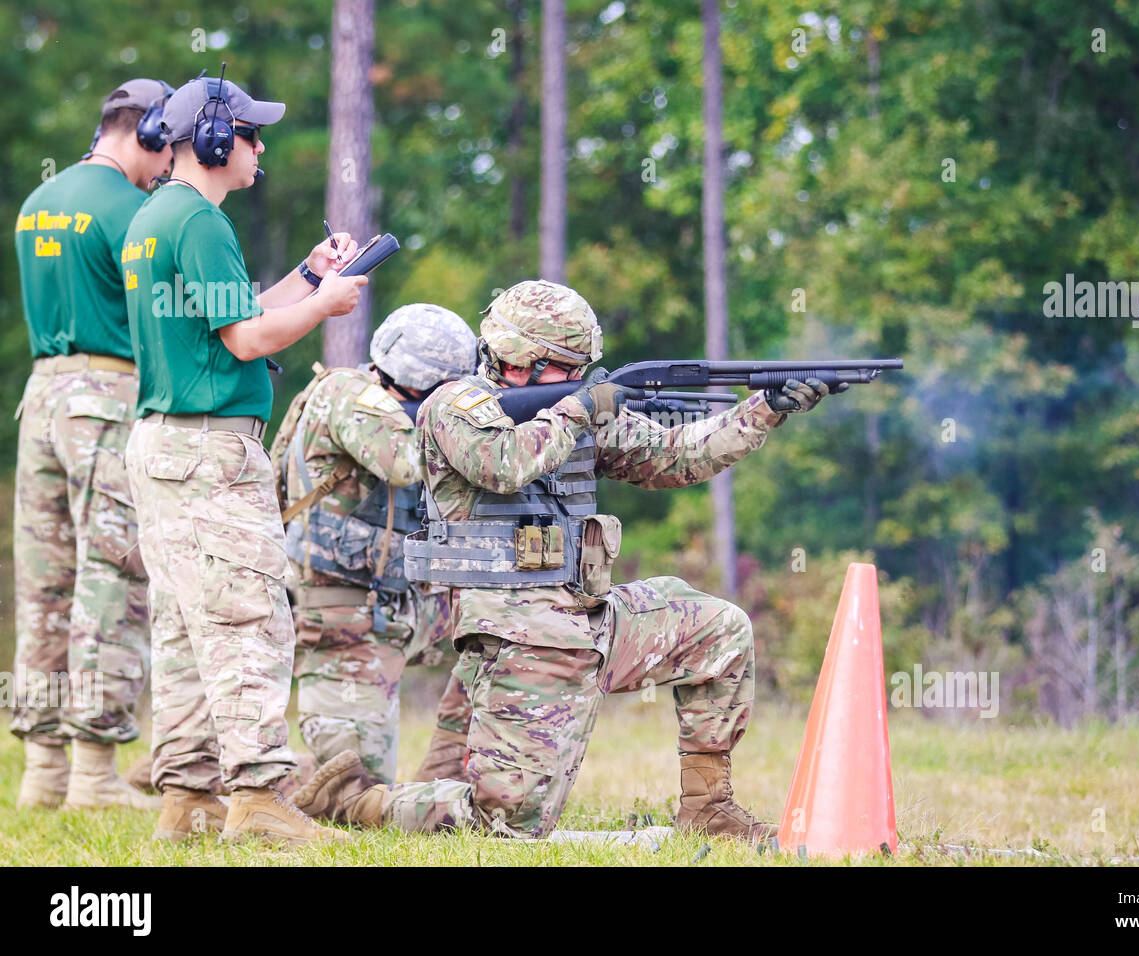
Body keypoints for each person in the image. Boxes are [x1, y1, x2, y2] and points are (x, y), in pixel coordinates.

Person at [295, 279, 841, 841]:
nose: (582, 378)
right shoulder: (451, 407)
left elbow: (680, 457)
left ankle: (708, 811)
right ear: (521, 361)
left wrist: (765, 409)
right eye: (568, 366)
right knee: (503, 828)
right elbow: (501, 463)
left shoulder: (572, 408)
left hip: (593, 615)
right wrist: (577, 412)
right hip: (519, 637)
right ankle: (359, 805)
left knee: (720, 630)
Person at [121, 70, 366, 845]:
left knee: (187, 625)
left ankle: (188, 800)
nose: (261, 147)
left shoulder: (158, 215)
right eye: (252, 134)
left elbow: (233, 311)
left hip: (164, 444)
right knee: (246, 616)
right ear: (218, 140)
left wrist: (306, 277)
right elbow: (247, 340)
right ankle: (259, 801)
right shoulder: (200, 222)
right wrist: (325, 308)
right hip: (208, 451)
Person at [11, 79, 176, 811]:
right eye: (166, 152)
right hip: (105, 398)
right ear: (146, 134)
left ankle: (40, 773)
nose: (168, 170)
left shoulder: (36, 204)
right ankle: (93, 776)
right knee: (112, 577)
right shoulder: (132, 210)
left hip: (41, 397)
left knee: (44, 585)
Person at [270, 303, 478, 785]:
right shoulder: (350, 397)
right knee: (357, 791)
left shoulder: (394, 400)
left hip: (415, 601)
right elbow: (405, 463)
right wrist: (475, 425)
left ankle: (449, 768)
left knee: (514, 632)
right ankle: (237, 775)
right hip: (346, 619)